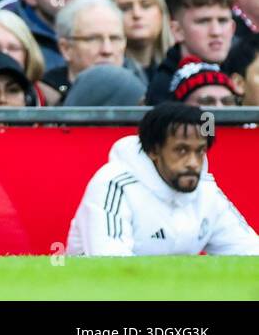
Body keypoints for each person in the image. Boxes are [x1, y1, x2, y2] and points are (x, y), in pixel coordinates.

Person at [67, 102, 258, 255]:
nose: (193, 162)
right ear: (153, 150)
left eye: (200, 151)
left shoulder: (206, 190)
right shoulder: (112, 185)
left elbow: (250, 253)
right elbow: (110, 266)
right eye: (181, 150)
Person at [50, 0, 128, 104]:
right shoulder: (44, 97)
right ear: (66, 48)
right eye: (93, 39)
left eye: (115, 38)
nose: (107, 50)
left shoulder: (143, 91)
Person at [107, 0, 175, 78]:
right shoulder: (103, 74)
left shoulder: (181, 68)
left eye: (146, 5)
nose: (137, 14)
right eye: (125, 8)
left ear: (162, 13)